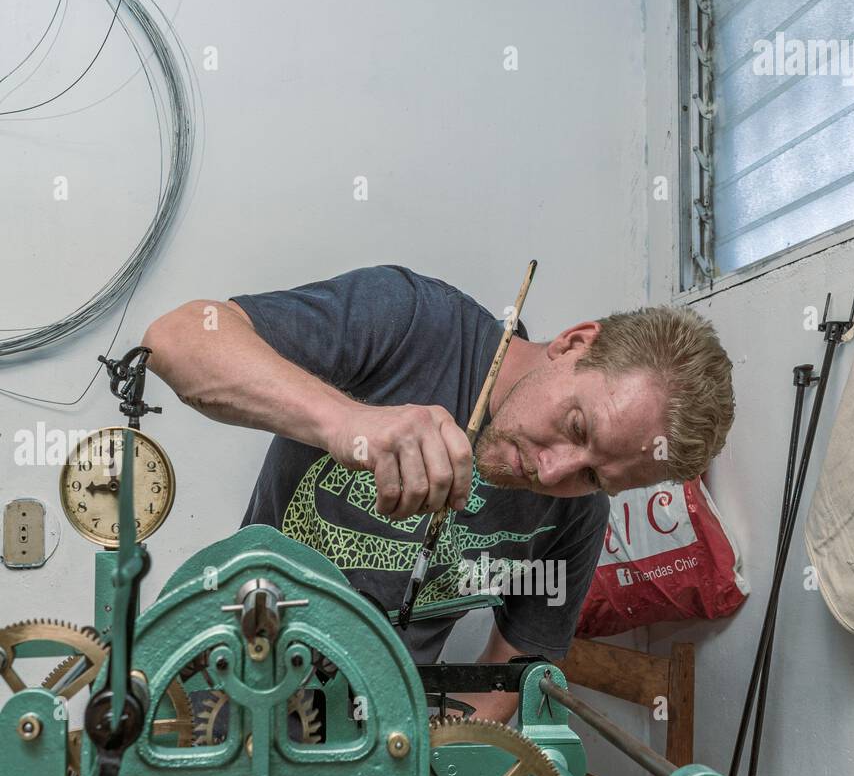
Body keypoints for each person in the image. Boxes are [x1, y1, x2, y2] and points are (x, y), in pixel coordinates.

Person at [145, 265, 734, 722]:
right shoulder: (414, 324)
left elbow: (514, 672)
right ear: (574, 343)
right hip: (222, 690)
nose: (555, 474)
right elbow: (177, 339)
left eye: (595, 476)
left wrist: (430, 773)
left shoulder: (577, 515)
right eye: (578, 428)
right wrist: (348, 423)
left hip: (376, 749)